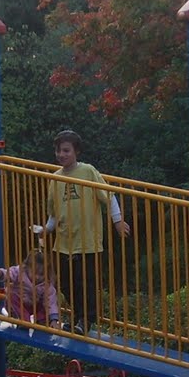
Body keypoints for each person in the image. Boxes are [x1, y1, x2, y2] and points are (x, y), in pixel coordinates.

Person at [37, 128, 130, 335]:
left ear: (76, 151)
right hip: (64, 242)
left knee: (86, 283)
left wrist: (117, 221)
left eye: (66, 150)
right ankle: (78, 316)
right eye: (58, 151)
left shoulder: (88, 171)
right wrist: (47, 229)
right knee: (65, 283)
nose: (61, 155)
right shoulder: (55, 178)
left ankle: (85, 320)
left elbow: (109, 195)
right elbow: (54, 213)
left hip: (88, 241)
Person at [0, 249, 62, 326]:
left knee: (46, 304)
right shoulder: (20, 271)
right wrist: (1, 273)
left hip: (32, 305)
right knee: (11, 295)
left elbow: (51, 302)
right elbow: (10, 273)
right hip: (17, 305)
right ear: (26, 267)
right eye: (34, 273)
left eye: (42, 274)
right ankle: (24, 320)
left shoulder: (47, 285)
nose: (37, 277)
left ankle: (42, 320)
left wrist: (54, 319)